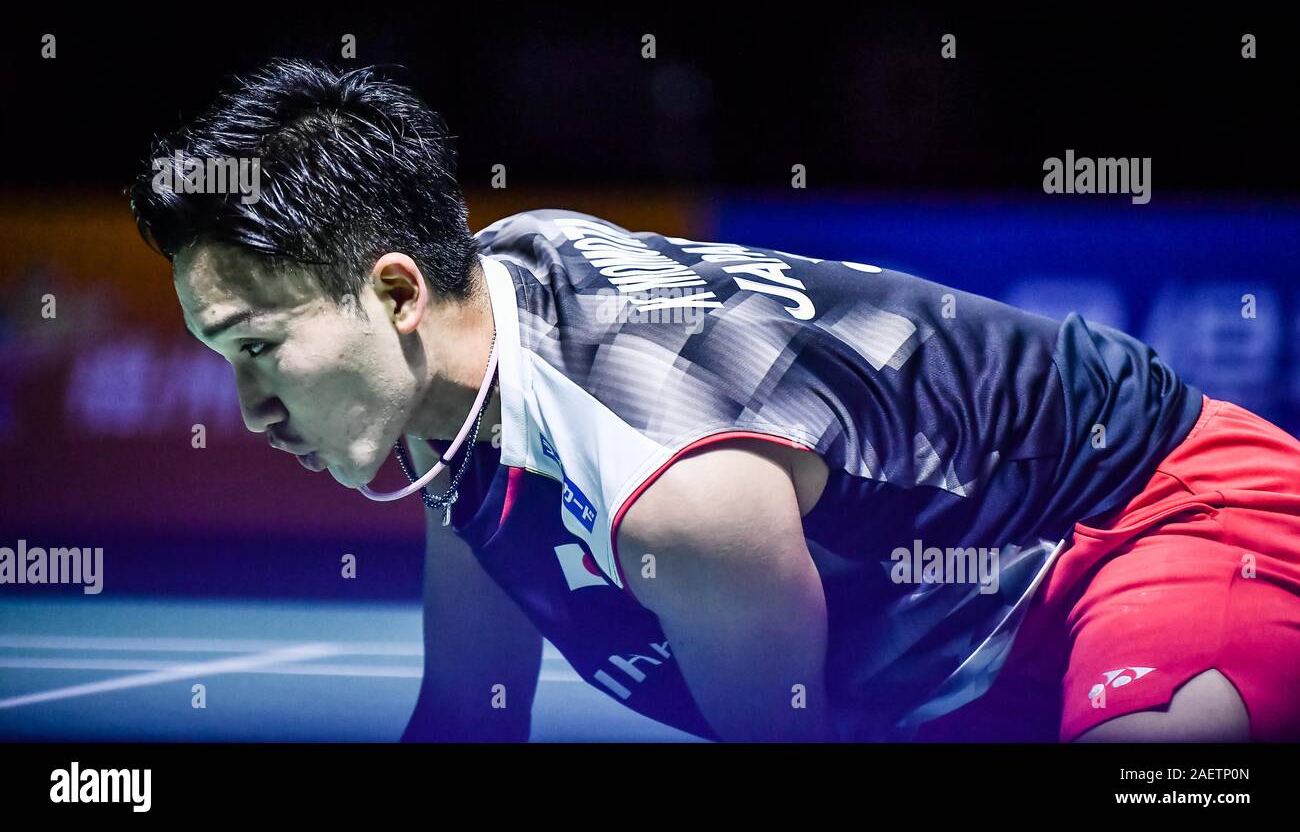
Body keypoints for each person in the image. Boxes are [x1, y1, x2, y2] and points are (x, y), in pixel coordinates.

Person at [127, 59, 1300, 742]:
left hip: (1168, 507)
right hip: (982, 614)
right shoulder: (480, 320)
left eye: (260, 347)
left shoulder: (679, 498)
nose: (250, 405)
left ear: (395, 293)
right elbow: (466, 721)